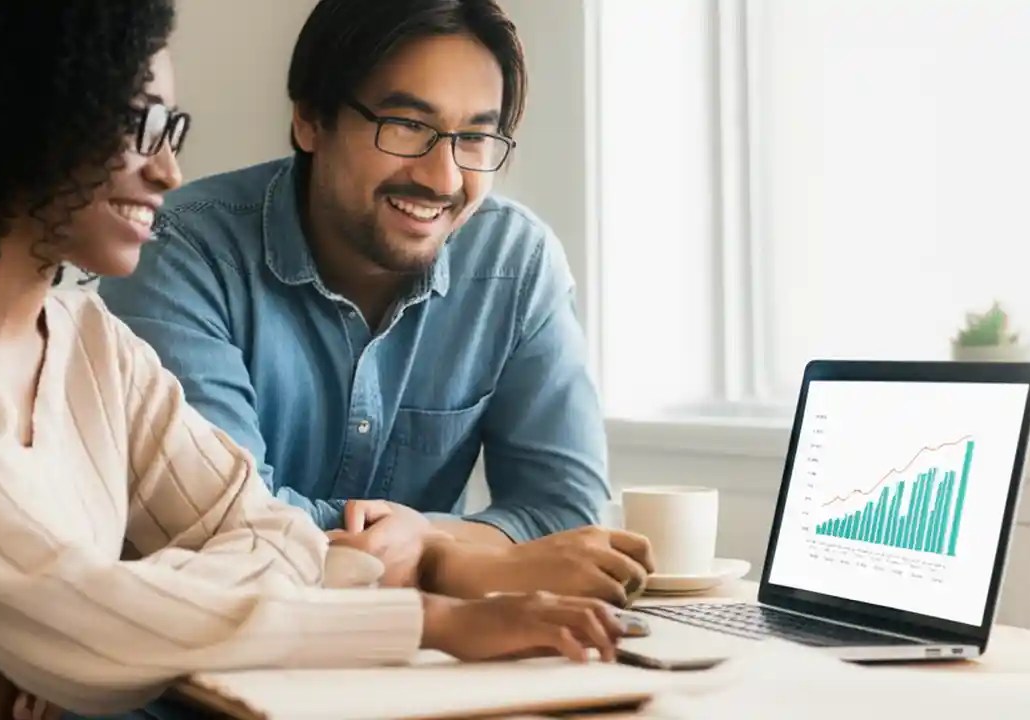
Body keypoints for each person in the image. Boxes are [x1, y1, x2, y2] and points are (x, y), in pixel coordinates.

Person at [0, 2, 627, 718]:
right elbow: (66, 612)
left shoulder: (88, 339)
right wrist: (432, 617)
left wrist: (84, 631)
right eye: (137, 127)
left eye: (172, 129)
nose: (168, 169)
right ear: (13, 117)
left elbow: (265, 533)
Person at [97, 0, 654, 604]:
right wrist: (449, 559)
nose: (443, 178)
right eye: (407, 126)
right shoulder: (182, 247)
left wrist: (431, 544)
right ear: (310, 119)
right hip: (206, 666)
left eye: (474, 137)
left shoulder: (514, 264)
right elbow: (226, 524)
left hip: (427, 666)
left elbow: (566, 515)